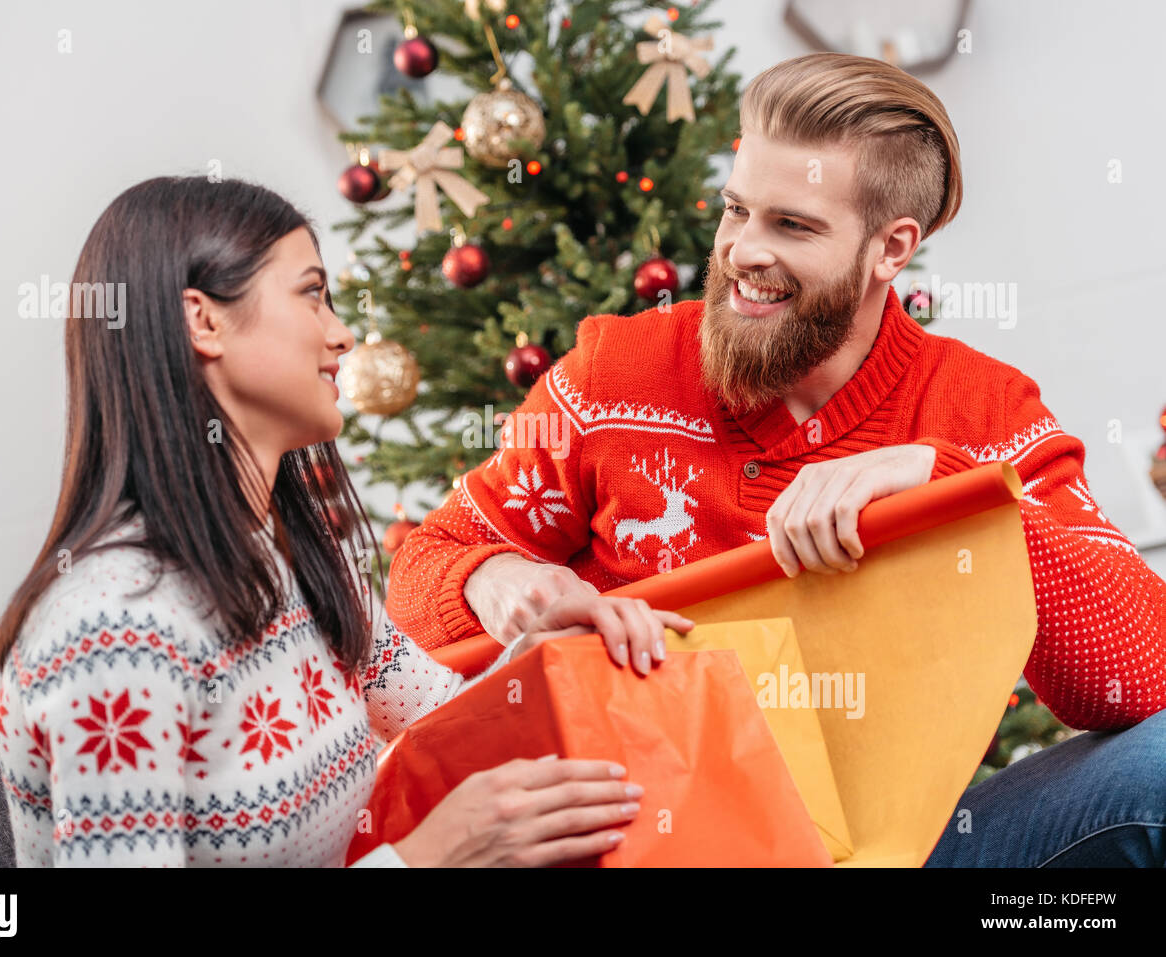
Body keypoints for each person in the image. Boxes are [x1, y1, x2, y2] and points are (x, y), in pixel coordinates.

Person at [385, 53, 1166, 866]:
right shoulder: (613, 375)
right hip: (654, 844)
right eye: (736, 210)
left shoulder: (981, 409)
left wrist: (950, 484)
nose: (742, 252)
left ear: (890, 248)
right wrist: (495, 578)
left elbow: (1144, 678)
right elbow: (415, 580)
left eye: (792, 226)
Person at [0, 176, 692, 868]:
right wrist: (427, 860)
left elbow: (442, 715)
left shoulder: (290, 560)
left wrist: (546, 646)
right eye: (311, 294)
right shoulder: (114, 630)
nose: (343, 334)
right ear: (202, 321)